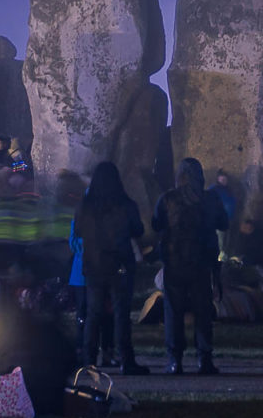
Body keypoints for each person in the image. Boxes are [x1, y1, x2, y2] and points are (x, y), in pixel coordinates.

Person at [151, 158, 229, 375]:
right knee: (203, 311)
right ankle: (204, 359)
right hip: (202, 263)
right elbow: (224, 223)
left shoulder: (168, 198)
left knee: (173, 311)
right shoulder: (210, 198)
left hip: (175, 262)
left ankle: (174, 360)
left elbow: (156, 224)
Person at [73, 161, 147, 375]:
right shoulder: (125, 204)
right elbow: (138, 230)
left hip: (94, 265)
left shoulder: (85, 205)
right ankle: (126, 359)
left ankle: (89, 360)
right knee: (121, 314)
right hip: (120, 264)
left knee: (93, 313)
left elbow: (77, 231)